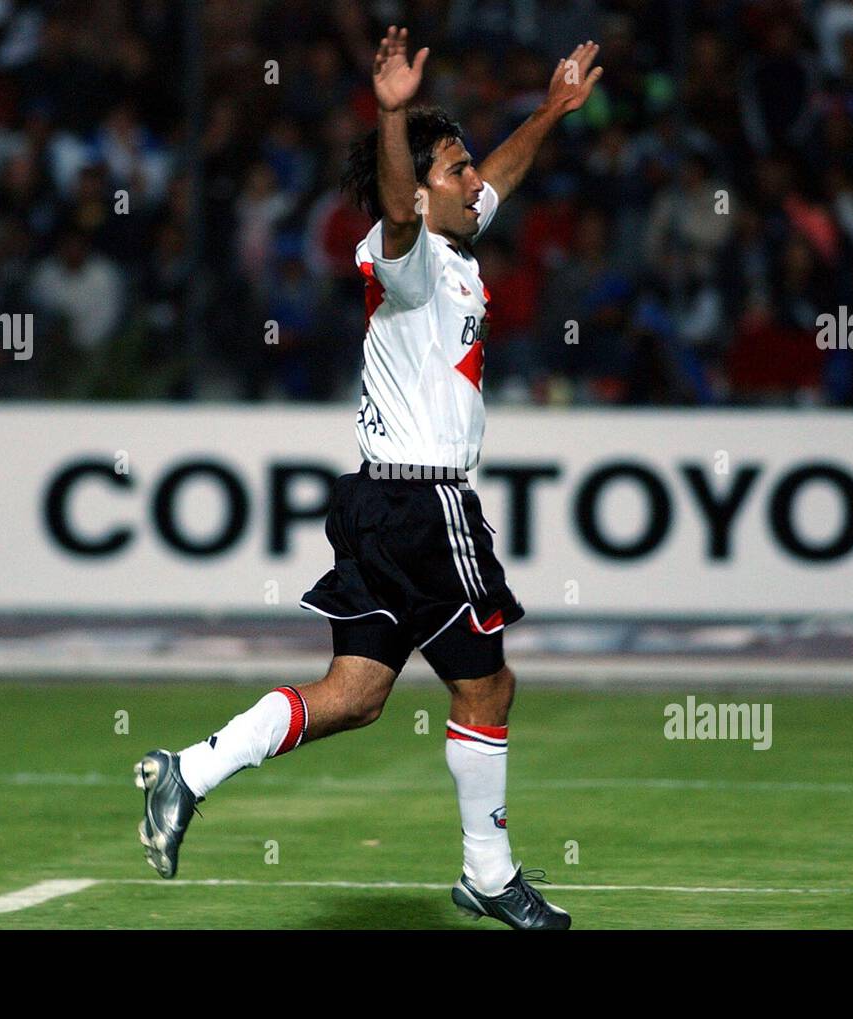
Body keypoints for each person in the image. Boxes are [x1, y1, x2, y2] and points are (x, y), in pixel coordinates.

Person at [136, 25, 601, 931]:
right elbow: (397, 209)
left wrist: (550, 109)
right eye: (459, 171)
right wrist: (392, 115)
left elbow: (492, 178)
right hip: (428, 504)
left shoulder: (453, 244)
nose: (478, 183)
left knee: (355, 694)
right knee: (488, 686)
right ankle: (489, 873)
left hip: (380, 502)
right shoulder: (411, 257)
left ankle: (186, 772)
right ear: (423, 189)